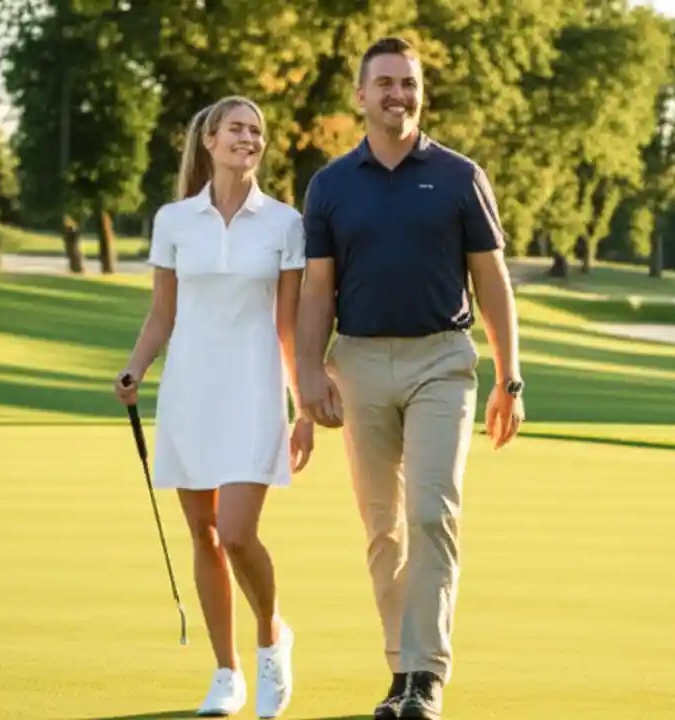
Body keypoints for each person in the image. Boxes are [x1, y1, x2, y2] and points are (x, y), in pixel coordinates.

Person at [295, 37, 525, 720]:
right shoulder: (330, 185)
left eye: (409, 84)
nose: (398, 94)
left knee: (431, 513)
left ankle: (427, 674)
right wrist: (308, 372)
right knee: (382, 528)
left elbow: (491, 280)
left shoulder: (459, 176)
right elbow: (316, 291)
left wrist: (510, 376)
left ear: (420, 94)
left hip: (441, 361)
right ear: (361, 96)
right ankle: (401, 669)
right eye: (385, 83)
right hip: (360, 362)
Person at [114, 96, 313, 719]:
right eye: (237, 129)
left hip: (254, 391)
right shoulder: (174, 220)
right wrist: (135, 368)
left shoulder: (284, 223)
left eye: (256, 131)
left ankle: (270, 638)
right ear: (209, 140)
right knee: (203, 534)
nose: (248, 139)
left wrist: (303, 407)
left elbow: (288, 328)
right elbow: (162, 314)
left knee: (237, 532)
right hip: (189, 392)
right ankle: (226, 673)